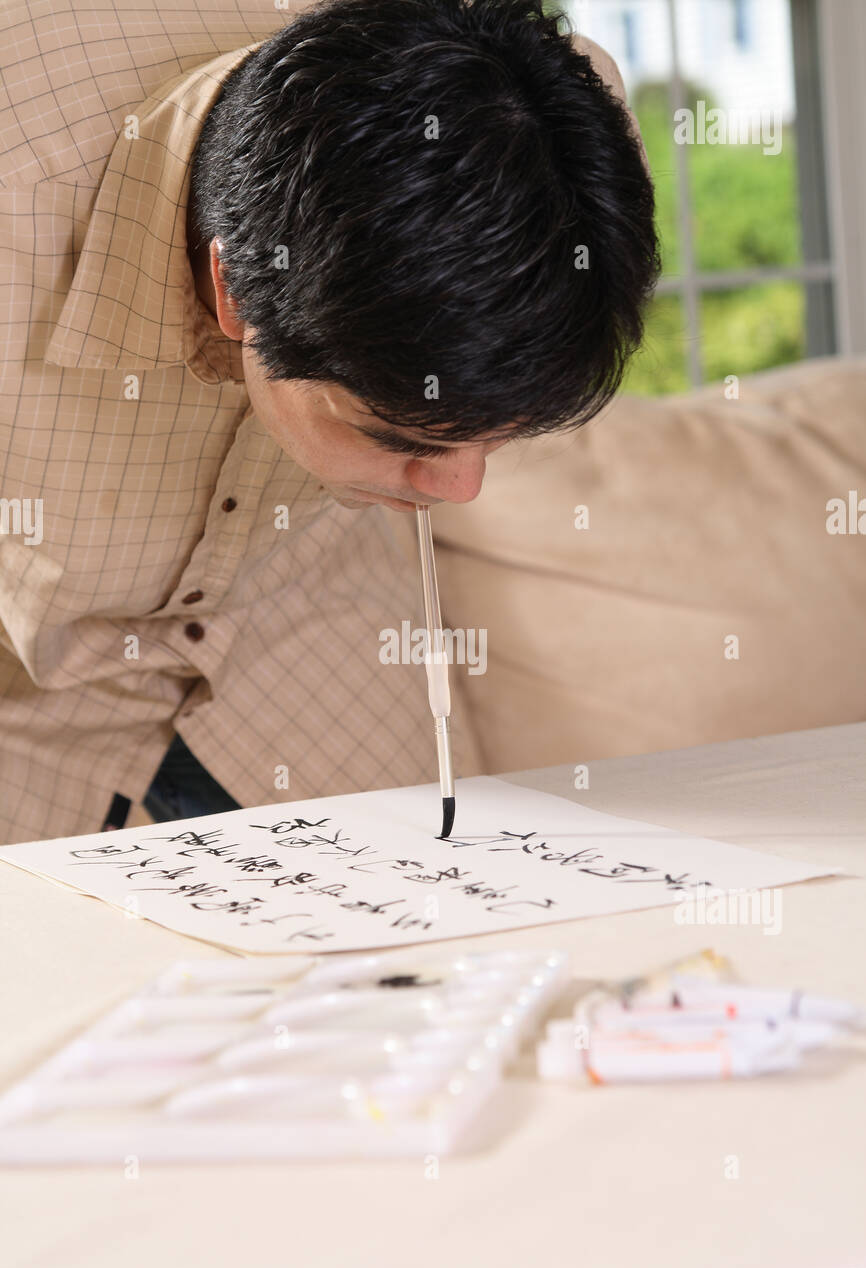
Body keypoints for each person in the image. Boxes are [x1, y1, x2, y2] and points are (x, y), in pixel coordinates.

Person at [0, 0, 658, 844]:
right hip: (27, 688)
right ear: (234, 286)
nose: (461, 489)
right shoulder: (20, 203)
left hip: (309, 642)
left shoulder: (544, 126)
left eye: (492, 440)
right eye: (402, 439)